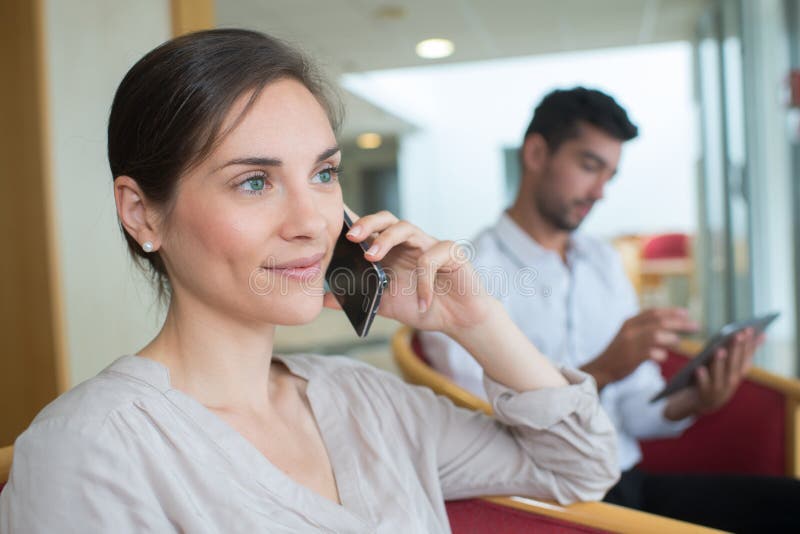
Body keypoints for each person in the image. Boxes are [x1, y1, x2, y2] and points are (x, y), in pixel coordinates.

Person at [0, 32, 620, 533]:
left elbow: (581, 465)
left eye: (324, 174)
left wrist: (477, 319)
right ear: (142, 214)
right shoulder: (89, 450)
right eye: (254, 182)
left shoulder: (364, 399)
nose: (311, 222)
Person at [421, 87, 800, 532]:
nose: (600, 191)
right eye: (589, 166)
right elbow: (485, 429)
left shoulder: (603, 263)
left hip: (628, 480)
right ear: (536, 153)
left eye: (610, 176)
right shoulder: (467, 279)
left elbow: (636, 411)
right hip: (549, 503)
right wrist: (602, 370)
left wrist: (694, 400)